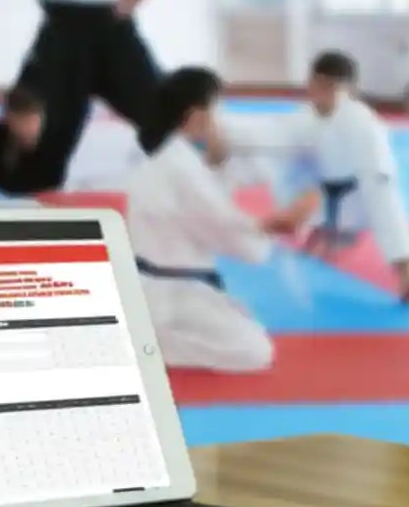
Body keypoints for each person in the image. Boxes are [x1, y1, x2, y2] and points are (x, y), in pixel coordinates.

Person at [126, 67, 318, 372]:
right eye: (217, 111)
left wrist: (270, 222)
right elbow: (231, 234)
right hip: (170, 294)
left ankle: (148, 334)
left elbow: (215, 212)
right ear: (197, 116)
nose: (221, 120)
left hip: (155, 286)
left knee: (245, 325)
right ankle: (152, 344)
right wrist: (280, 223)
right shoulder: (182, 169)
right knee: (255, 352)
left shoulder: (169, 158)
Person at [0, 0, 162, 194]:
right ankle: (24, 192)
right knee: (33, 137)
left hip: (110, 22)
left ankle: (199, 172)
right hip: (61, 24)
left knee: (164, 116)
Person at [226, 51, 409, 301]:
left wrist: (404, 264)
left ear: (346, 89)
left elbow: (381, 185)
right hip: (317, 200)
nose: (320, 91)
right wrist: (221, 135)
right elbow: (268, 137)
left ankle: (407, 270)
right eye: (317, 84)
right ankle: (313, 229)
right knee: (274, 159)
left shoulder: (363, 123)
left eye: (329, 87)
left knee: (384, 198)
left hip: (358, 202)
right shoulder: (303, 117)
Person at [0, 84, 47, 194]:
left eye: (35, 123)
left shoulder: (51, 145)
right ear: (10, 121)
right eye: (26, 123)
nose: (32, 129)